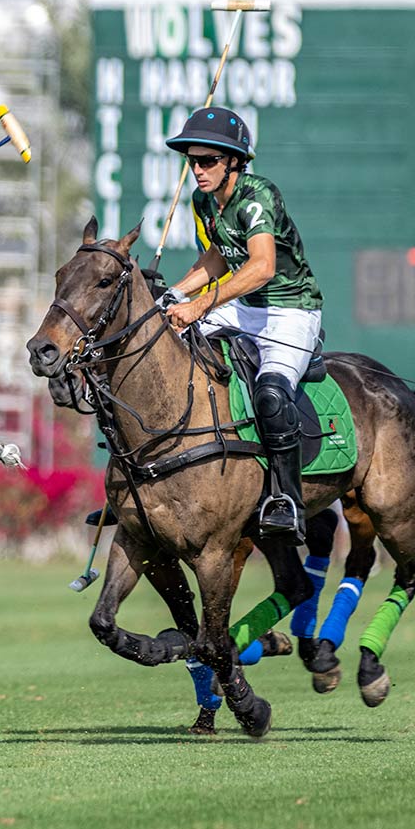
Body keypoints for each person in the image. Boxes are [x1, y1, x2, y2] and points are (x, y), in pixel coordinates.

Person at [158, 107, 324, 543]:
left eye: (208, 161)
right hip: (241, 306)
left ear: (235, 161)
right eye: (193, 161)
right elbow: (216, 256)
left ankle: (286, 502)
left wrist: (201, 305)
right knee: (169, 349)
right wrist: (176, 295)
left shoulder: (257, 196)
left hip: (289, 311)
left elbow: (262, 266)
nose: (197, 170)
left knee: (270, 392)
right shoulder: (204, 200)